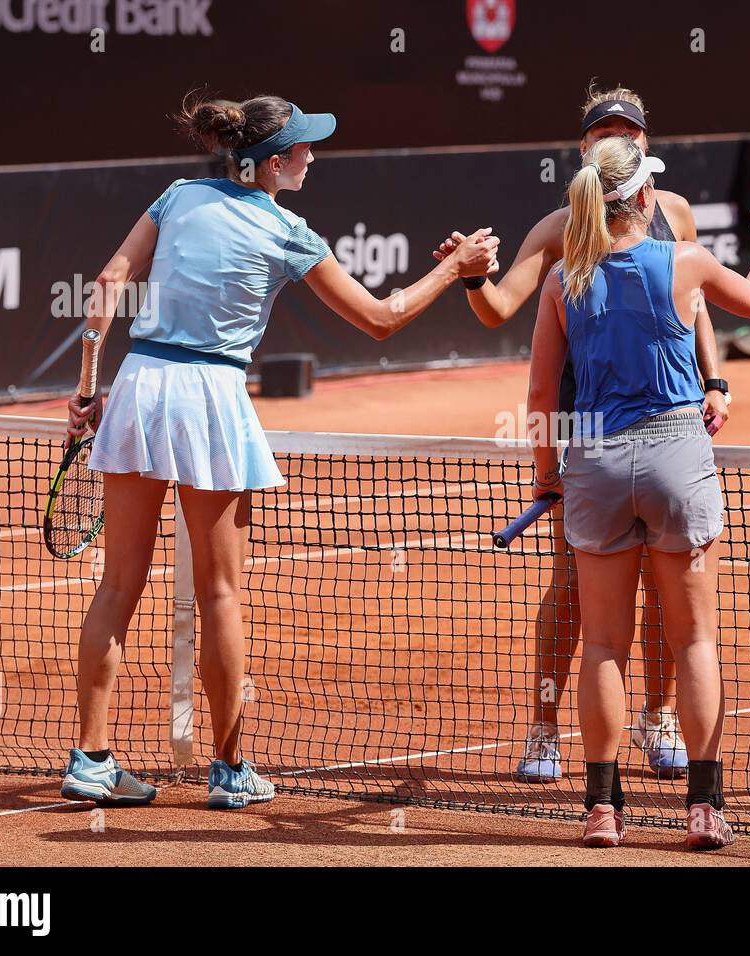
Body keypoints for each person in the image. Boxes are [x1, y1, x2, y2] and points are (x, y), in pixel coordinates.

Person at [60, 93, 498, 810]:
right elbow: (382, 319)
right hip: (211, 398)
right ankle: (230, 772)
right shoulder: (288, 231)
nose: (312, 157)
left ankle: (92, 759)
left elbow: (108, 285)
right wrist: (458, 269)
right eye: (302, 148)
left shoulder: (177, 197)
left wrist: (87, 388)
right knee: (221, 594)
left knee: (117, 587)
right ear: (271, 162)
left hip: (139, 385)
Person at [434, 85, 750, 782]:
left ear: (645, 144)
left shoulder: (672, 213)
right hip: (585, 414)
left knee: (661, 587)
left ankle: (655, 720)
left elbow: (696, 303)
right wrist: (473, 278)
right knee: (572, 587)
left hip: (663, 408)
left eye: (628, 130)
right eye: (602, 130)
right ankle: (543, 725)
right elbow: (500, 309)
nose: (616, 138)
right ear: (582, 146)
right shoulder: (558, 228)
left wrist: (717, 382)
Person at [529, 135, 750, 848]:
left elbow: (543, 393)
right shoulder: (687, 261)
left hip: (596, 465)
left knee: (603, 642)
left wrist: (548, 473)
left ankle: (602, 809)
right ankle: (705, 806)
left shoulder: (562, 282)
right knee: (694, 637)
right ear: (645, 198)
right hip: (677, 458)